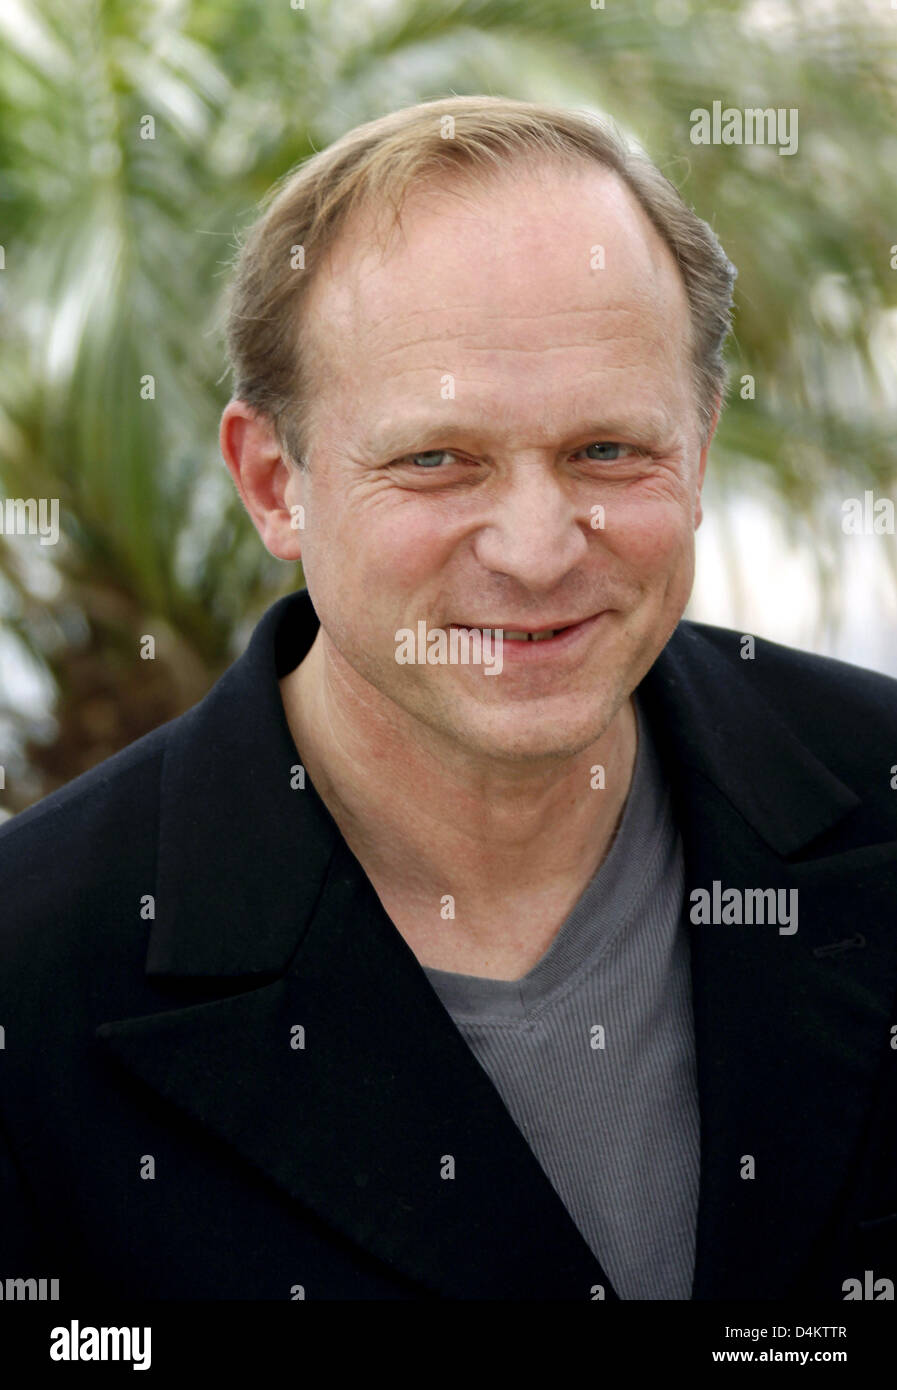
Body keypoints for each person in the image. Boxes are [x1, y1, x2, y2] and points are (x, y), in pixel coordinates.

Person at [1, 95, 895, 1303]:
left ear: (701, 449)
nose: (536, 549)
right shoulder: (33, 970)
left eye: (607, 452)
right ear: (275, 483)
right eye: (437, 460)